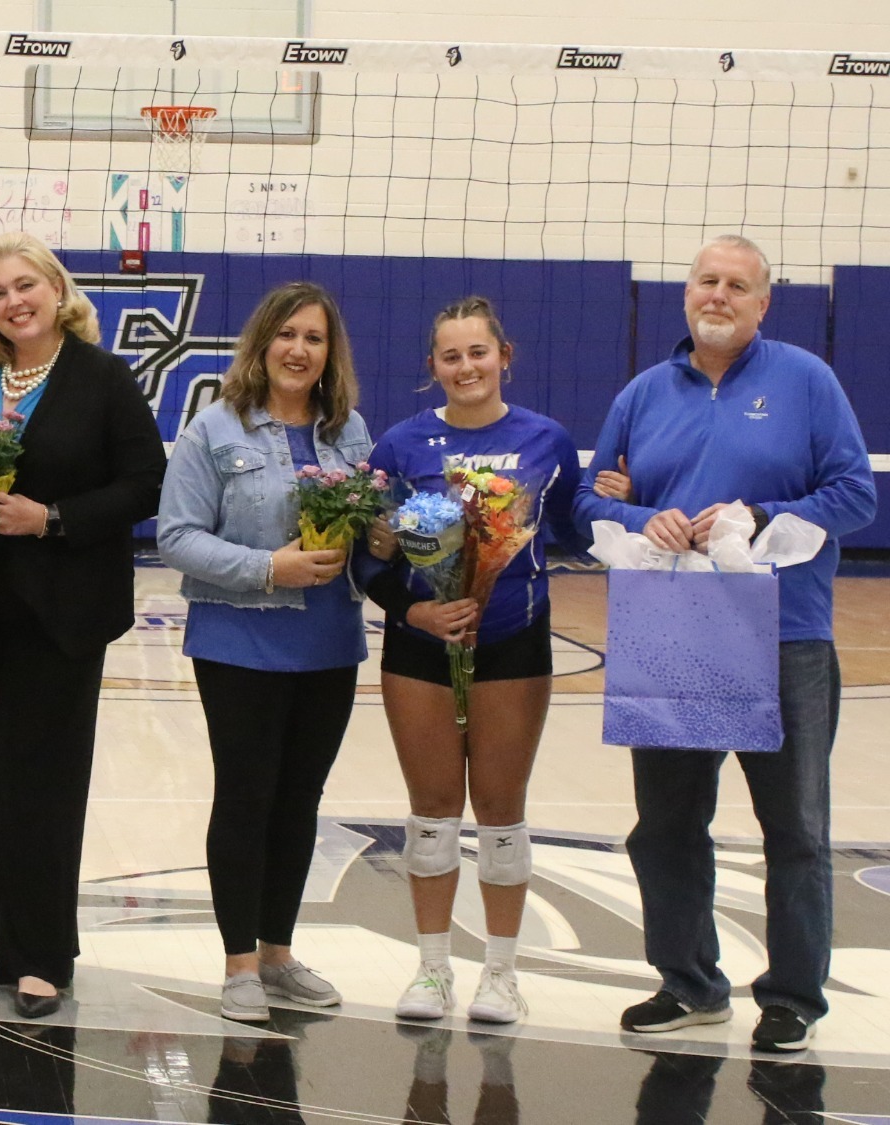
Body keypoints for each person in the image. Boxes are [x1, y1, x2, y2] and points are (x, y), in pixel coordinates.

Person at [575, 234, 875, 1053]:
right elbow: (586, 501)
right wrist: (644, 518)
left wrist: (766, 519)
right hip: (671, 628)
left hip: (786, 633)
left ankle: (791, 998)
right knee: (666, 824)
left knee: (797, 829)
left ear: (764, 302)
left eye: (738, 286)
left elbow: (854, 493)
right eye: (707, 281)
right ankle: (688, 984)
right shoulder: (643, 393)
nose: (719, 296)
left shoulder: (807, 382)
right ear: (685, 293)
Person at [0, 232, 165, 1019]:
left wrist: (51, 518)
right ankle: (9, 946)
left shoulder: (102, 377)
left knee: (46, 783)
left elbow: (144, 483)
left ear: (57, 289)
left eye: (26, 285)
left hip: (62, 611)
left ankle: (48, 956)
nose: (14, 302)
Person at [358, 296, 587, 1026]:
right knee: (431, 812)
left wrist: (623, 499)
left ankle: (501, 973)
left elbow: (573, 527)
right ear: (432, 367)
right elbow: (370, 557)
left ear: (504, 355)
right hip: (421, 644)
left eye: (478, 353)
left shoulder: (546, 439)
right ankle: (431, 970)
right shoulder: (399, 445)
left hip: (513, 642)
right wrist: (414, 607)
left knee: (499, 811)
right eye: (451, 357)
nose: (467, 367)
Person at [156, 280, 370, 1023]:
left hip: (328, 643)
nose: (299, 349)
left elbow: (368, 531)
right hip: (238, 640)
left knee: (299, 801)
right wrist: (266, 568)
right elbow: (175, 536)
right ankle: (239, 963)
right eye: (287, 334)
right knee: (246, 796)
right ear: (263, 342)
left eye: (314, 338)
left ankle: (278, 953)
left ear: (328, 353)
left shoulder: (350, 434)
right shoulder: (214, 429)